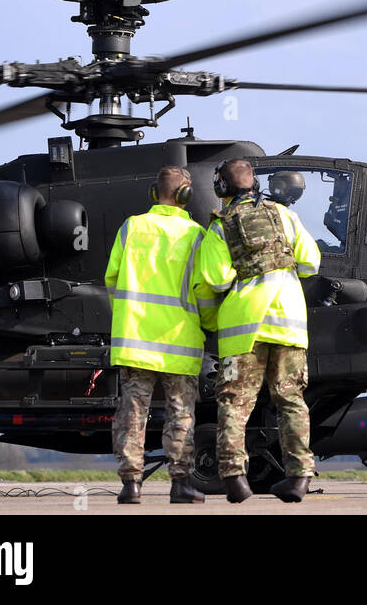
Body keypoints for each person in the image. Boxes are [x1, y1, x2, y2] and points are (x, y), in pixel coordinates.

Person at [199, 158, 321, 503]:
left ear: (221, 188)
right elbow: (311, 262)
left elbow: (217, 278)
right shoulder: (285, 215)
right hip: (290, 325)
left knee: (234, 404)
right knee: (291, 401)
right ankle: (298, 478)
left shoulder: (221, 225)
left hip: (244, 328)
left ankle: (235, 480)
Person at [106, 165, 213, 505]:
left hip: (135, 341)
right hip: (179, 343)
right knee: (180, 412)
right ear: (186, 195)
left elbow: (112, 278)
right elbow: (204, 289)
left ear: (155, 192)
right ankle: (180, 484)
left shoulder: (131, 227)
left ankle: (131, 485)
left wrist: (128, 317)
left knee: (132, 412)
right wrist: (207, 322)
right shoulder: (196, 235)